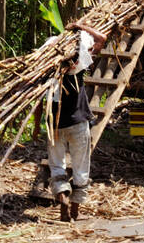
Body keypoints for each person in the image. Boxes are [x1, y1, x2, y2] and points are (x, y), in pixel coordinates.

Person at [33, 21, 107, 221]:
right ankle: (75, 204)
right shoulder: (78, 68)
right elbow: (101, 39)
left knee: (57, 166)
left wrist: (35, 127)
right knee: (81, 165)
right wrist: (81, 26)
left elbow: (38, 104)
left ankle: (62, 196)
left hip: (54, 126)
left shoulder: (44, 76)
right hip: (78, 122)